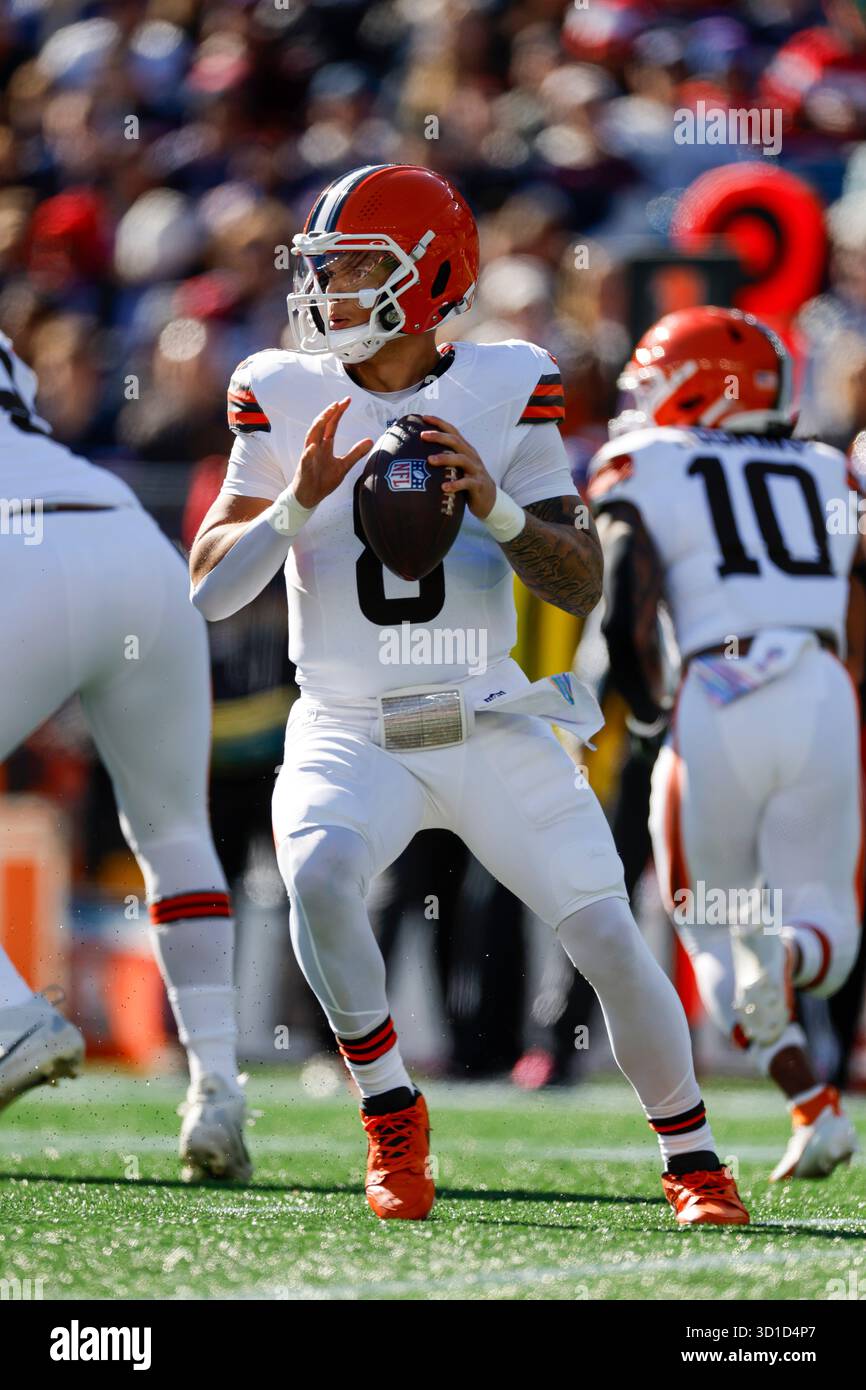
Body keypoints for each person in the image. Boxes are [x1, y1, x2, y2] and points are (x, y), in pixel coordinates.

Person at [190, 163, 748, 1226]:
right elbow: (213, 591)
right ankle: (392, 1116)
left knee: (607, 936)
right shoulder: (280, 388)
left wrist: (494, 509)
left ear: (427, 278)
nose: (329, 294)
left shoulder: (508, 382)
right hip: (349, 726)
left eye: (356, 270)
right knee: (316, 873)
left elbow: (577, 577)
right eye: (328, 271)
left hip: (486, 715)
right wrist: (292, 505)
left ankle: (692, 1159)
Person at [589, 304, 862, 1181]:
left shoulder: (654, 460)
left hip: (718, 685)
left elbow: (626, 588)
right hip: (823, 685)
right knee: (829, 931)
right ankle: (813, 1107)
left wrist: (637, 701)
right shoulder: (830, 467)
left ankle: (765, 972)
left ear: (706, 386)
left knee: (712, 931)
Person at [0, 332, 250, 1183]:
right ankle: (217, 1085)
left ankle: (10, 1017)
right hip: (131, 544)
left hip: (22, 549)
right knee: (177, 831)